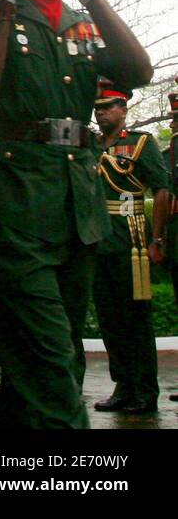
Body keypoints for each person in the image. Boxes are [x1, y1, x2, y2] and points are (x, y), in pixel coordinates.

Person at [0, 0, 152, 428]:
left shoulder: (78, 16)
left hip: (74, 200)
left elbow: (138, 70)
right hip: (14, 199)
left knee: (50, 361)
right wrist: (1, 9)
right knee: (47, 358)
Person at [90, 82, 170, 413]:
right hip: (98, 238)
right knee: (109, 318)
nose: (101, 112)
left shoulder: (140, 143)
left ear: (123, 110)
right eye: (98, 107)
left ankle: (145, 391)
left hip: (131, 238)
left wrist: (157, 239)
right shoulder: (91, 146)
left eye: (107, 106)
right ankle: (123, 386)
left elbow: (162, 190)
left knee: (135, 318)